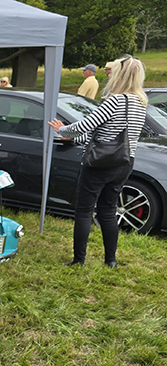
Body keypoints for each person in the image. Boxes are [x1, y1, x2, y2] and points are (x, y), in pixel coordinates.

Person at [48, 55, 147, 268]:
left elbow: (86, 125)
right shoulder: (141, 102)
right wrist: (73, 137)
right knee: (108, 210)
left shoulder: (115, 100)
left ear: (119, 75)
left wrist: (62, 130)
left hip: (100, 163)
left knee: (84, 209)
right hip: (124, 163)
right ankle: (110, 260)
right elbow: (106, 135)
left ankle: (79, 260)